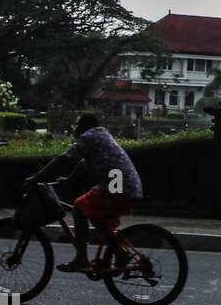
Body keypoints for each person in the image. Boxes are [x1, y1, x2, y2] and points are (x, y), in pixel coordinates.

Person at [27, 113, 144, 273]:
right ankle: (120, 253)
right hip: (124, 185)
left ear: (84, 126)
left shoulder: (90, 136)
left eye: (77, 126)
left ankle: (81, 259)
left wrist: (36, 178)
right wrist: (68, 180)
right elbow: (83, 163)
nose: (75, 129)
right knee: (98, 218)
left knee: (79, 207)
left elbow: (64, 159)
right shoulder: (100, 135)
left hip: (119, 186)